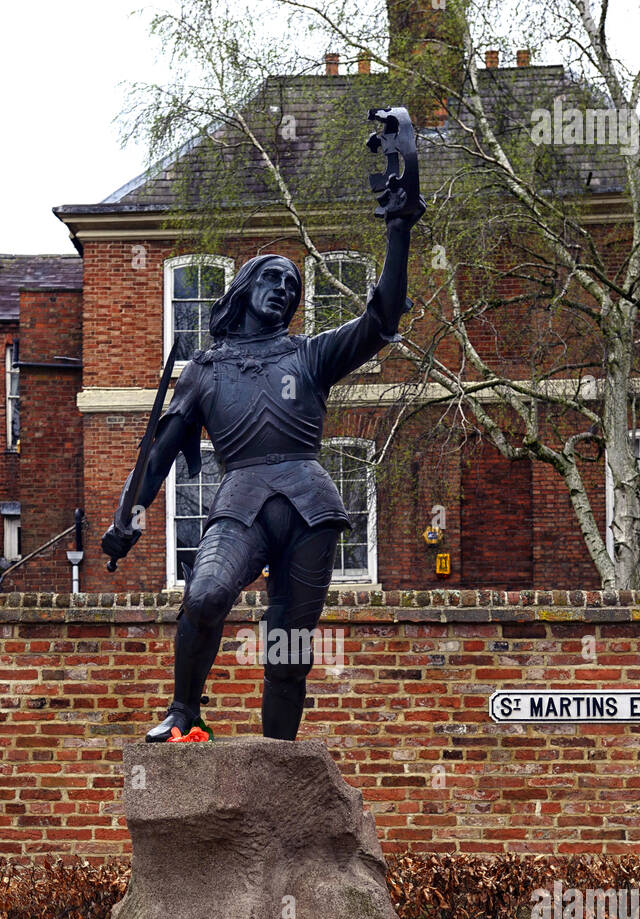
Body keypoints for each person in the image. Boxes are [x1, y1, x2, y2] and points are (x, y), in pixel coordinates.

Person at [102, 203, 422, 742]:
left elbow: (381, 319)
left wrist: (398, 228)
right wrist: (126, 519)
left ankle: (280, 757)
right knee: (205, 595)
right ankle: (184, 710)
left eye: (292, 285)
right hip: (240, 501)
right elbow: (158, 456)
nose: (283, 289)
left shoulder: (310, 355)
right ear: (246, 286)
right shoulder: (204, 370)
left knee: (288, 648)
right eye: (272, 278)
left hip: (309, 507)